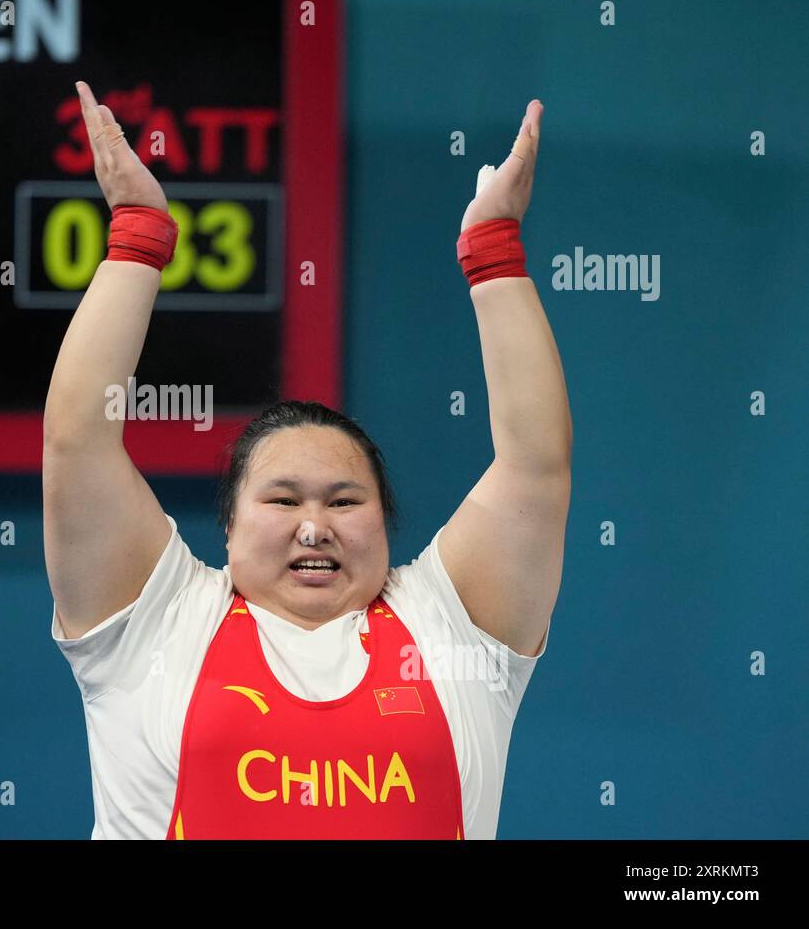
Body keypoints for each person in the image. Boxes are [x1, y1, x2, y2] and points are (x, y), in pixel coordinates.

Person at [44, 81, 569, 839]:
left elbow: (536, 468)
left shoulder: (453, 635)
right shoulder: (154, 627)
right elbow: (77, 440)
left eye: (344, 501)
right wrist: (137, 237)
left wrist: (494, 254)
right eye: (283, 501)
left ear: (386, 523)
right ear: (226, 529)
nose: (314, 526)